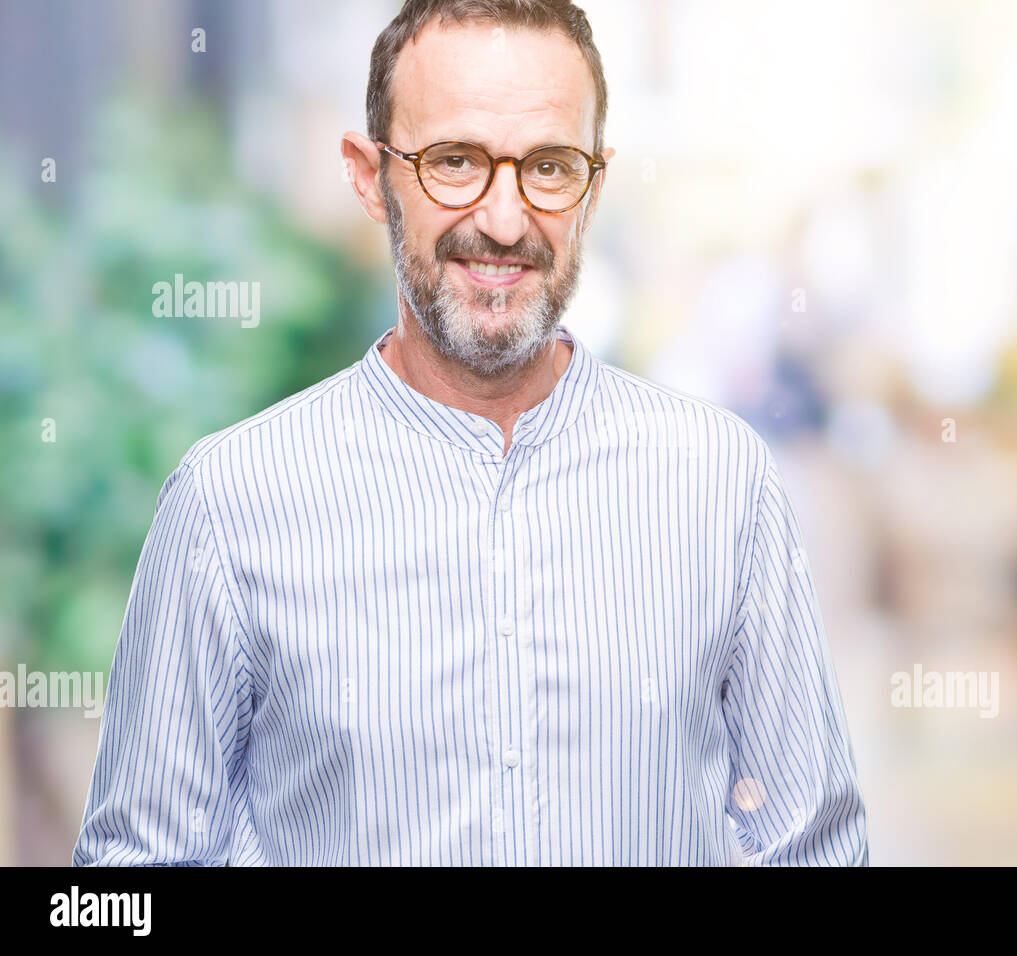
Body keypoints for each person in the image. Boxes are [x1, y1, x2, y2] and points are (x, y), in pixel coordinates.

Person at [72, 0, 867, 866]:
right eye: (455, 161)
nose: (503, 219)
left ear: (594, 186)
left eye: (550, 168)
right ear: (370, 176)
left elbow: (813, 850)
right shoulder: (230, 503)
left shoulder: (723, 485)